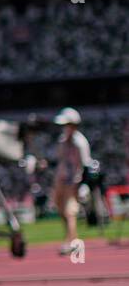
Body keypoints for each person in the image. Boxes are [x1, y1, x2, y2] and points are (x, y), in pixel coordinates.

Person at [51, 107, 92, 254]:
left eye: (67, 125)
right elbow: (58, 161)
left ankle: (72, 242)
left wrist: (84, 185)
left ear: (74, 125)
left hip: (73, 182)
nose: (64, 128)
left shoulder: (80, 142)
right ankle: (71, 237)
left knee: (70, 212)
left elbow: (86, 164)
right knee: (61, 210)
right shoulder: (62, 140)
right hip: (60, 181)